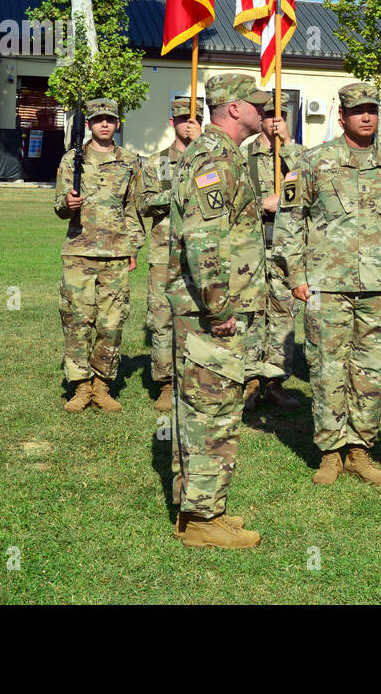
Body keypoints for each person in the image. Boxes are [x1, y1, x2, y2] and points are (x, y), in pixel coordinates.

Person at [276, 81, 381, 487]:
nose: (366, 116)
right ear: (341, 116)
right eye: (358, 110)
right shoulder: (313, 162)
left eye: (372, 110)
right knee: (326, 368)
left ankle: (360, 449)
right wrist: (295, 276)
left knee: (372, 370)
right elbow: (290, 219)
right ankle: (329, 451)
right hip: (326, 285)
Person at [167, 73, 272, 548]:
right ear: (233, 109)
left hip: (211, 310)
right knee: (213, 411)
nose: (263, 112)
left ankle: (200, 508)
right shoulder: (214, 159)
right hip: (212, 313)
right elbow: (204, 239)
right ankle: (203, 520)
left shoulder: (223, 155)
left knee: (205, 407)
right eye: (256, 105)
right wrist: (219, 306)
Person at [54, 97, 143, 413]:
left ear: (118, 124)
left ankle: (102, 386)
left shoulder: (131, 162)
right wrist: (69, 203)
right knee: (77, 320)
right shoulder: (71, 161)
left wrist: (133, 247)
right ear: (89, 125)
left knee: (112, 322)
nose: (104, 124)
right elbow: (59, 208)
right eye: (97, 119)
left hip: (116, 255)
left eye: (110, 119)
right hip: (79, 252)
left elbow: (133, 208)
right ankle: (80, 387)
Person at [137, 96, 204, 412]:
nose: (188, 125)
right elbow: (145, 203)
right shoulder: (157, 162)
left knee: (199, 319)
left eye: (194, 119)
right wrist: (177, 192)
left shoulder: (209, 161)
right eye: (182, 119)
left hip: (203, 254)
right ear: (171, 122)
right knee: (162, 318)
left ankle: (195, 379)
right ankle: (166, 384)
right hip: (166, 253)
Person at [244, 101, 304, 411]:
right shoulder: (244, 155)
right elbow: (232, 199)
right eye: (269, 115)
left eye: (280, 116)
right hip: (253, 245)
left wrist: (289, 147)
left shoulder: (298, 156)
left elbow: (308, 189)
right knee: (252, 312)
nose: (275, 121)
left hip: (285, 248)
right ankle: (251, 378)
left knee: (283, 313)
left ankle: (276, 381)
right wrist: (261, 204)